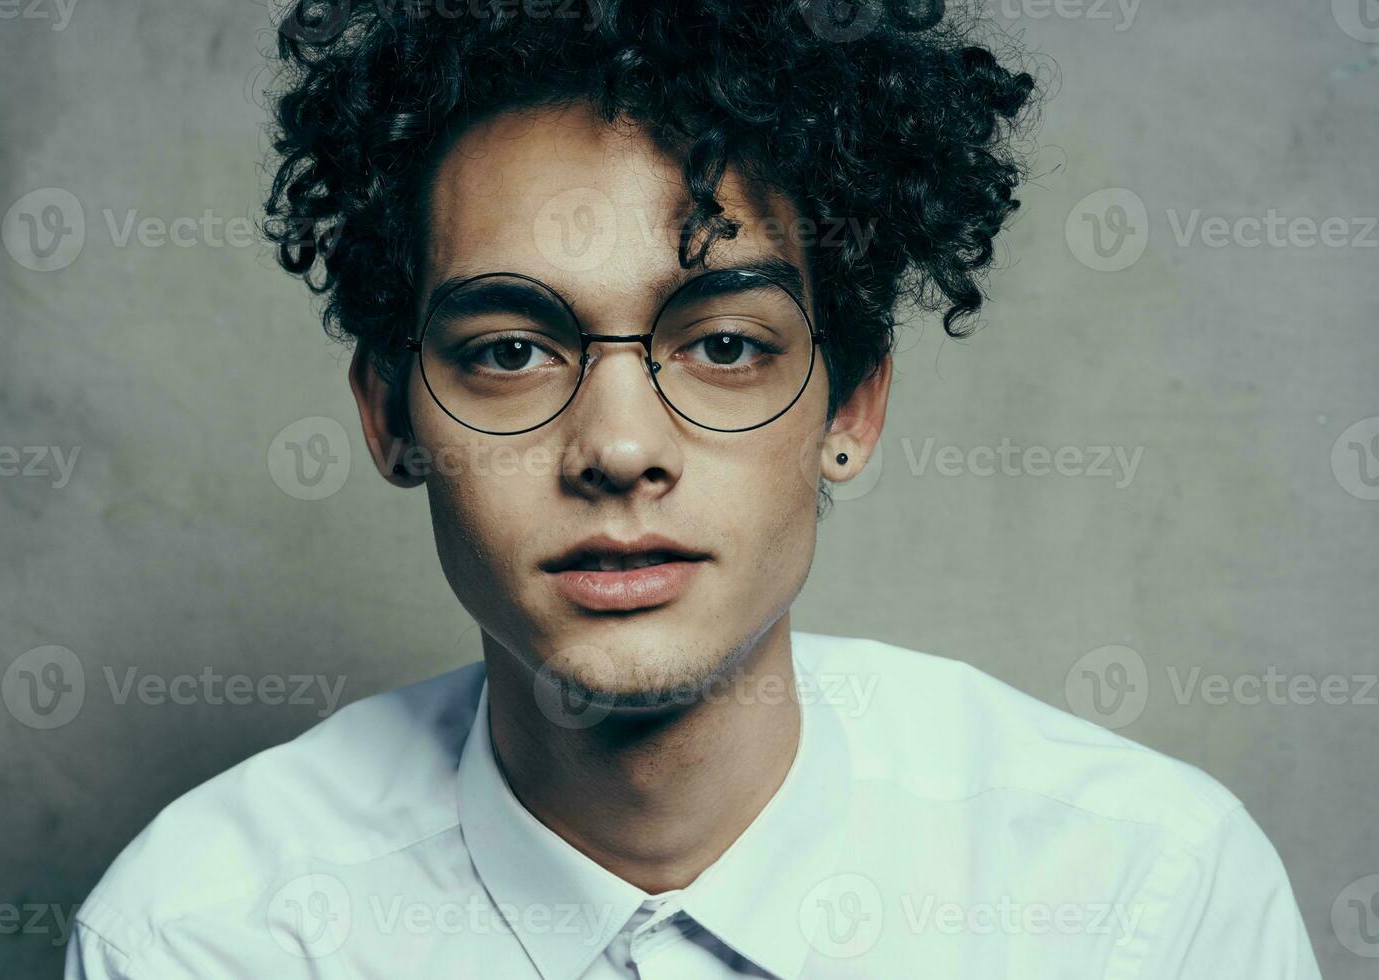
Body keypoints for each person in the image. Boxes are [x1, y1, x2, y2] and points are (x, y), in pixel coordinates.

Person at [66, 1, 1321, 976]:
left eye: (724, 345)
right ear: (392, 414)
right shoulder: (204, 937)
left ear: (853, 407)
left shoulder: (1141, 901)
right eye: (511, 349)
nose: (618, 446)